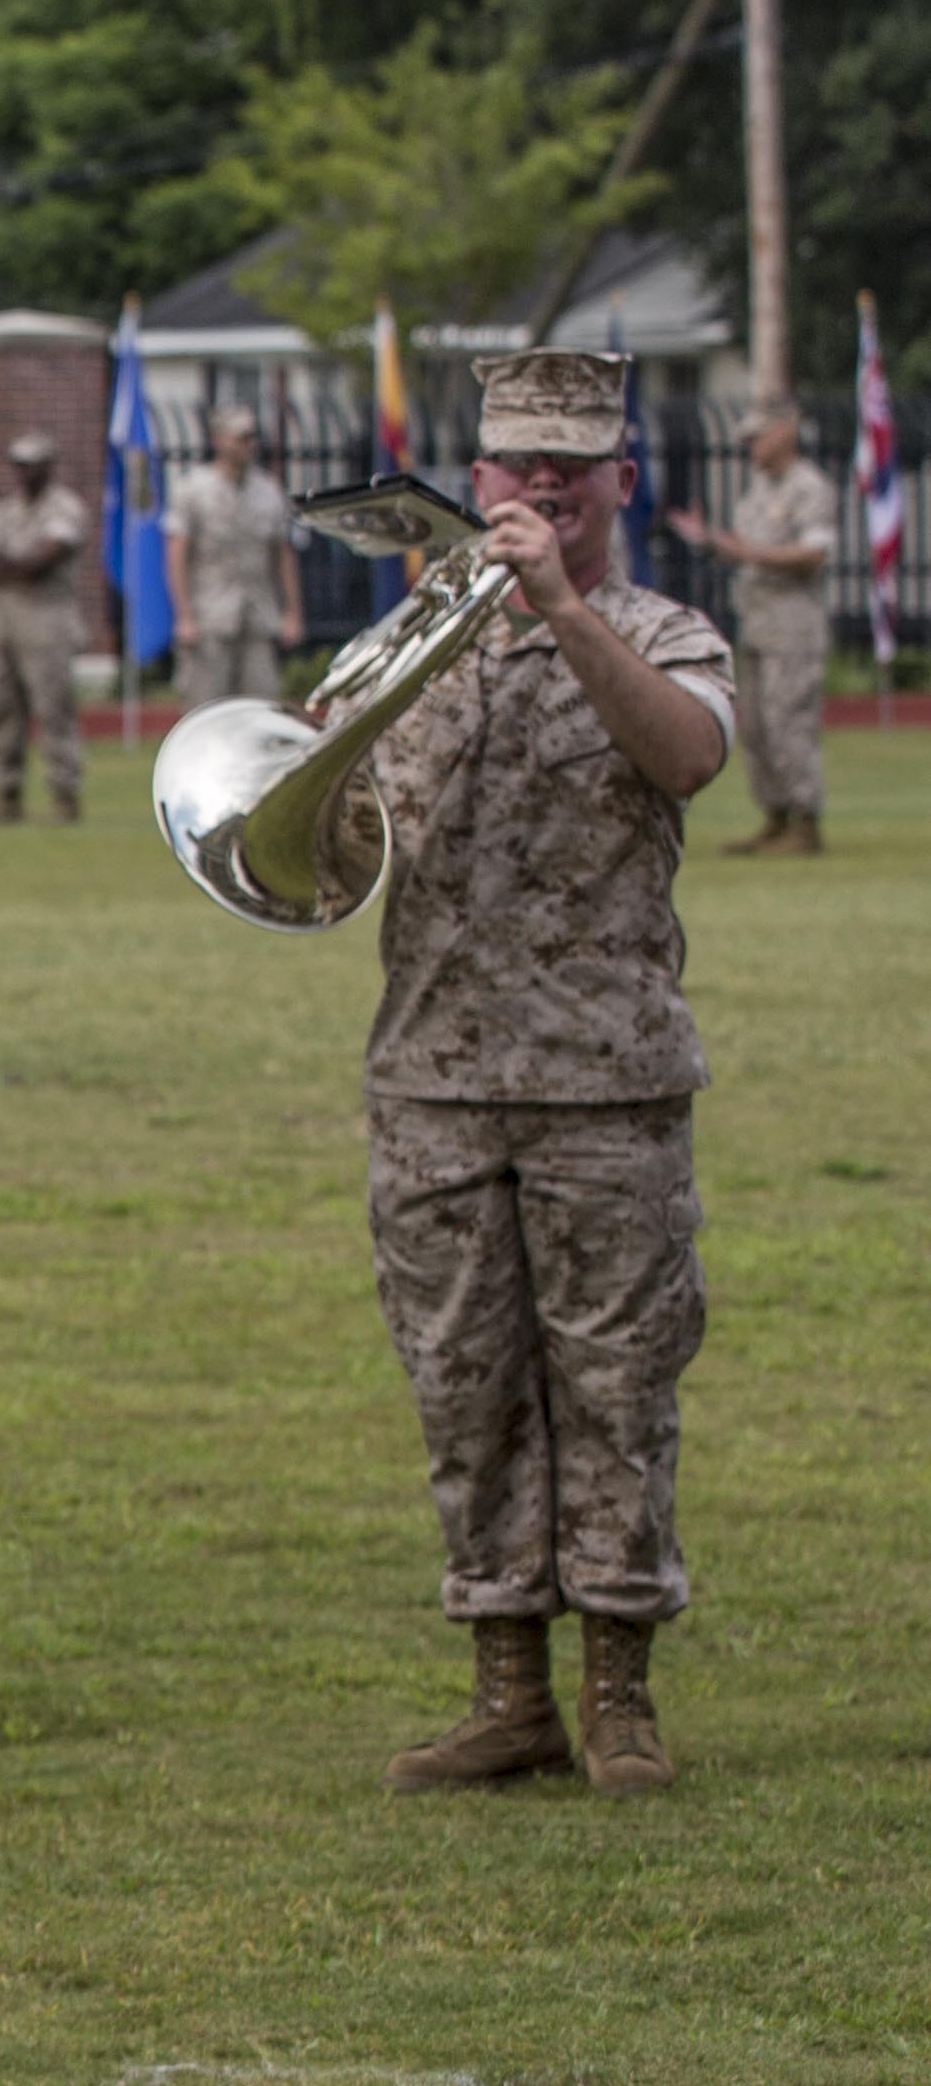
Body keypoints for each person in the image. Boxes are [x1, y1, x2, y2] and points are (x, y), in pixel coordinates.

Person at [365, 349, 735, 1799]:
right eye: (519, 467)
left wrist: (564, 610)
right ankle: (507, 1689)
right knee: (465, 1391)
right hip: (436, 1079)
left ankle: (623, 1694)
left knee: (617, 1386)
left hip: (607, 1080)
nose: (542, 490)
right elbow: (341, 835)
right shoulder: (413, 641)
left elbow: (691, 758)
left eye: (571, 471)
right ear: (477, 483)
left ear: (618, 487)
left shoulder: (663, 630)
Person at [677, 403, 836, 856]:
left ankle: (806, 824)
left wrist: (746, 552)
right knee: (759, 728)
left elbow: (813, 555)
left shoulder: (810, 487)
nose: (750, 446)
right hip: (757, 624)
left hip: (794, 626)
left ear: (786, 433)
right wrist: (710, 540)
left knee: (790, 723)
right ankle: (776, 816)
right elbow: (745, 548)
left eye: (758, 436)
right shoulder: (759, 489)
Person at [0, 433, 93, 823]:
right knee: (2, 706)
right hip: (6, 615)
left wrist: (10, 568)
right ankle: (8, 793)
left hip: (49, 616)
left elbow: (46, 560)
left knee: (53, 706)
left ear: (49, 465)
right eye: (19, 464)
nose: (25, 472)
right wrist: (16, 569)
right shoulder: (4, 511)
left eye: (33, 464)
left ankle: (64, 793)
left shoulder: (65, 508)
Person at [166, 404, 304, 722]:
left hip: (257, 612)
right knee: (205, 713)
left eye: (252, 437)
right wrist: (184, 615)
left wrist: (293, 612)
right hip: (210, 614)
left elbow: (282, 554)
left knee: (261, 708)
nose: (249, 445)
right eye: (241, 438)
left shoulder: (268, 490)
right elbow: (177, 554)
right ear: (219, 440)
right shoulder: (193, 489)